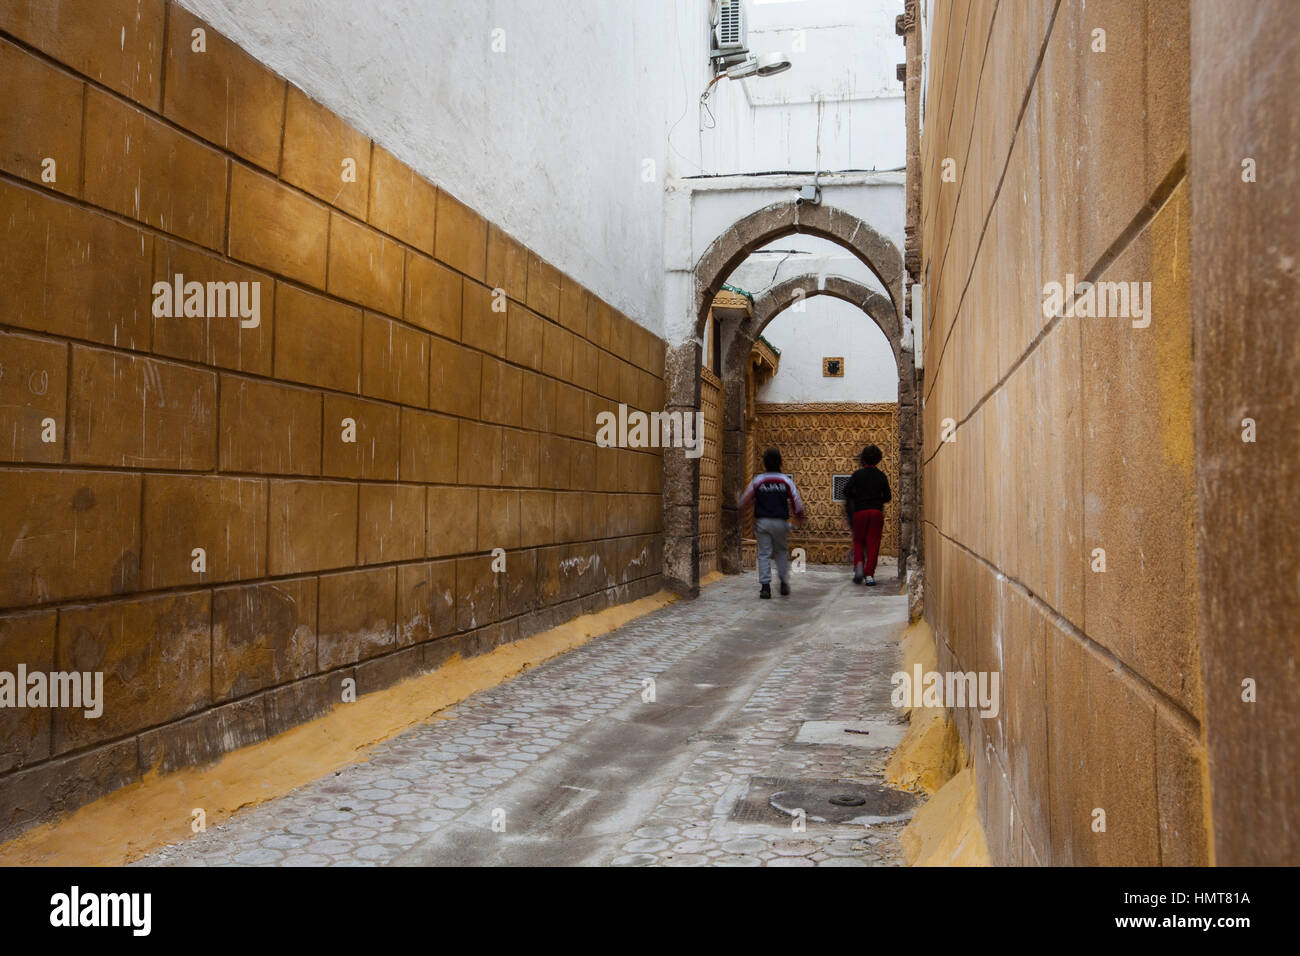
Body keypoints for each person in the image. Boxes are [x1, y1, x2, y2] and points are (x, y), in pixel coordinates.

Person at [739, 448, 805, 599]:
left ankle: (765, 587)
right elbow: (796, 501)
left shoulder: (759, 480)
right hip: (780, 522)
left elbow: (745, 499)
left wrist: (740, 510)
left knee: (763, 553)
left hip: (762, 522)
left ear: (764, 463)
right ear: (780, 463)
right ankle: (783, 581)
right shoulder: (785, 481)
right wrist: (799, 516)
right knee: (781, 552)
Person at [842, 444, 891, 586]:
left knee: (858, 541)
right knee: (873, 543)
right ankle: (869, 574)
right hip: (876, 512)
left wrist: (857, 497)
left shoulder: (857, 475)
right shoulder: (881, 476)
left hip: (860, 512)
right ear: (878, 459)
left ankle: (858, 566)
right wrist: (877, 499)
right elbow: (888, 497)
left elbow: (846, 491)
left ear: (863, 458)